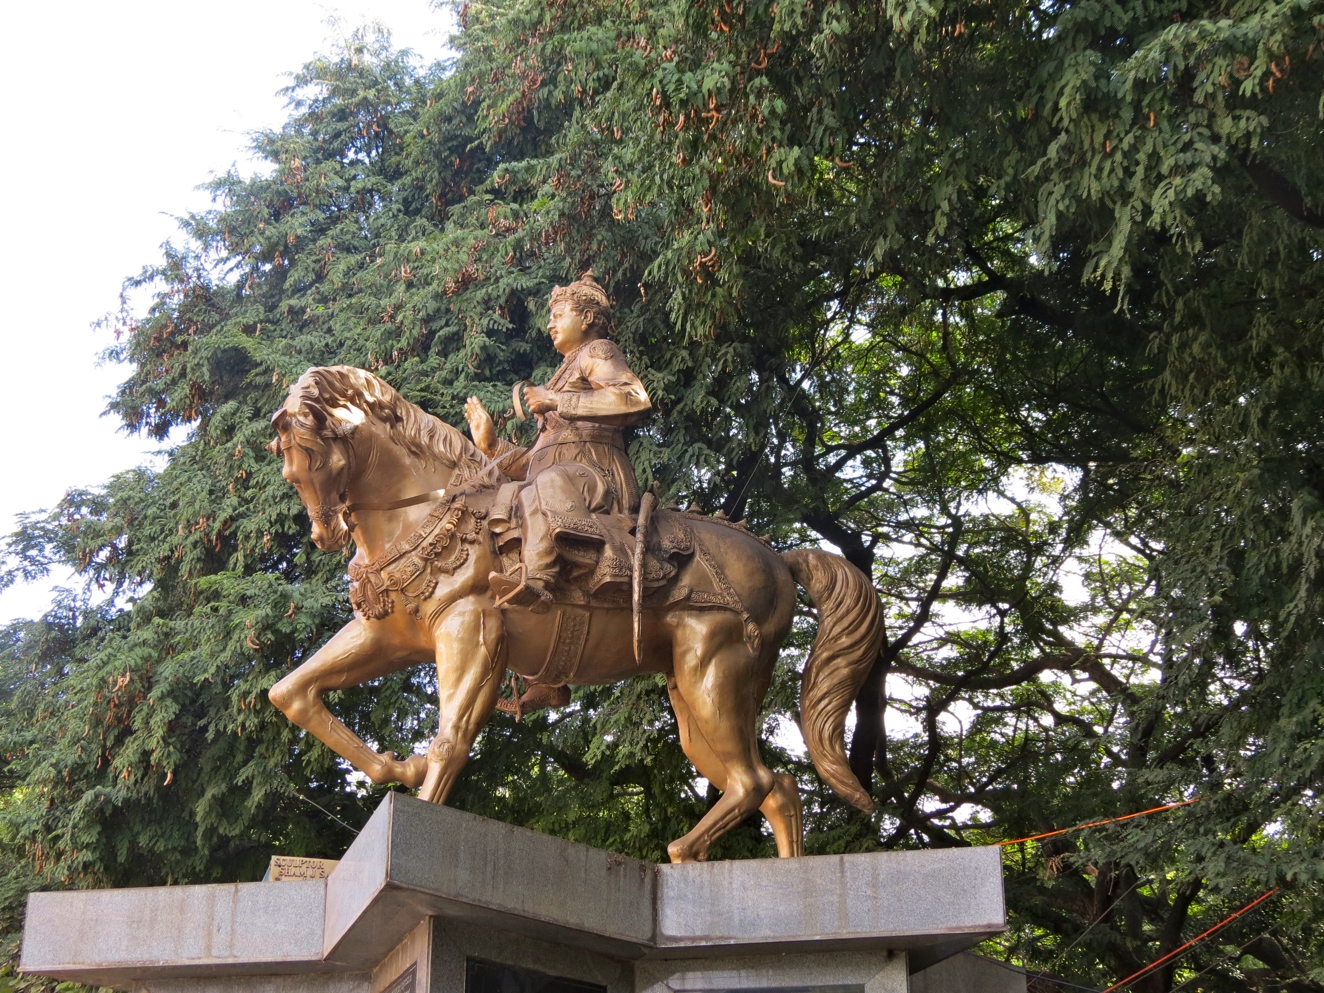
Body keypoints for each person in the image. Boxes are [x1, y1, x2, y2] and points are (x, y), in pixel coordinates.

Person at [465, 273, 651, 611]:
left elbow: (633, 398)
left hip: (597, 475)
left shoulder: (598, 350)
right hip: (557, 477)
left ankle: (538, 579)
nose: (550, 324)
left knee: (547, 483)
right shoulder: (562, 372)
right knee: (514, 491)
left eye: (559, 315)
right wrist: (491, 446)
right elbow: (536, 459)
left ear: (587, 317)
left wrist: (556, 400)